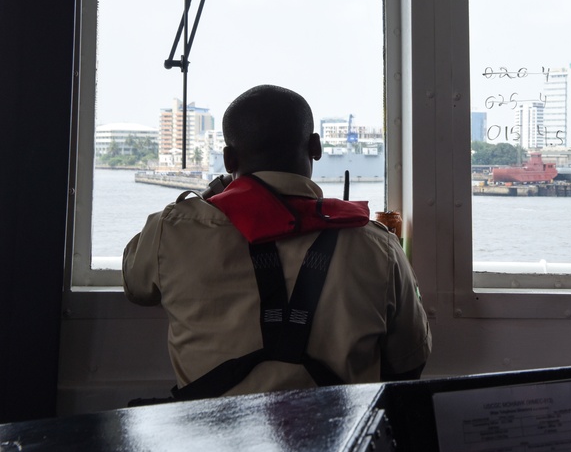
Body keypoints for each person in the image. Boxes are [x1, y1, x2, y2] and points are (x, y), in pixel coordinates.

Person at [123, 85, 431, 399]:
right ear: (316, 147)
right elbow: (408, 363)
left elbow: (136, 287)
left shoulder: (173, 230)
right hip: (339, 429)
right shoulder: (380, 247)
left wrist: (209, 196)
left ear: (228, 159)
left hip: (208, 430)